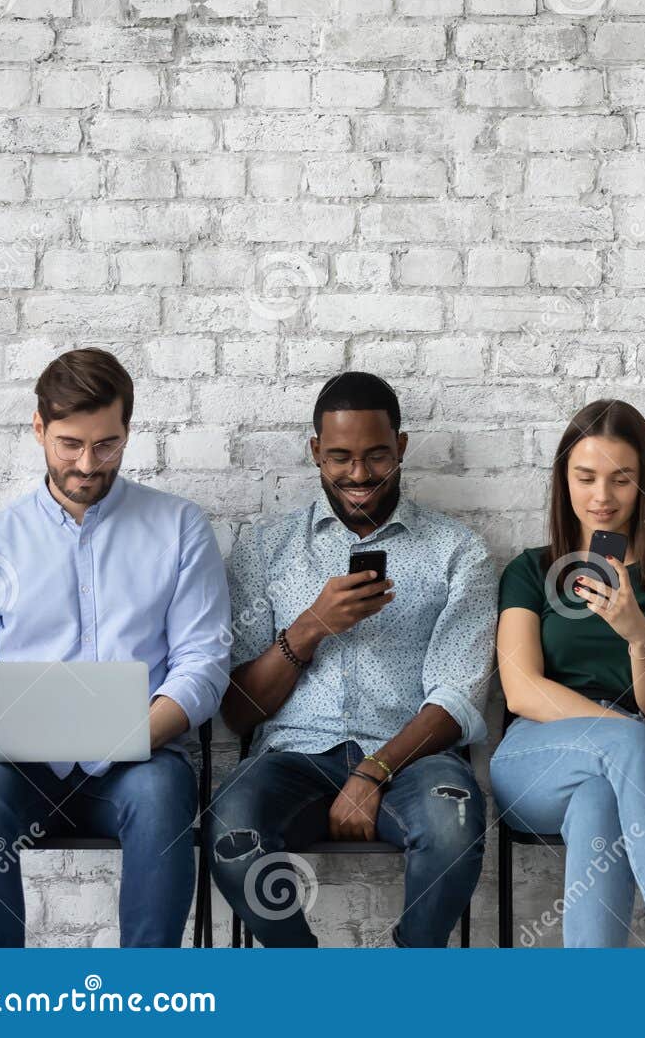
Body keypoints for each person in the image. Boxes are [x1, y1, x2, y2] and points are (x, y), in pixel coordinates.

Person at [0, 348, 230, 947]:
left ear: (127, 431)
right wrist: (6, 731)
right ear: (40, 428)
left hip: (140, 759)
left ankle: (142, 1005)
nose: (87, 463)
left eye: (107, 444)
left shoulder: (179, 527)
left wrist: (133, 734)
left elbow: (203, 663)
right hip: (22, 766)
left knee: (162, 793)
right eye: (69, 443)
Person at [208, 372, 495, 947]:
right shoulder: (268, 549)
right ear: (315, 450)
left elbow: (456, 697)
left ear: (402, 447)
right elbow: (237, 714)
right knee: (229, 831)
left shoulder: (457, 550)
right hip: (292, 758)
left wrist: (372, 772)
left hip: (412, 759)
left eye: (377, 455)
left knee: (454, 821)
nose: (359, 475)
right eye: (340, 457)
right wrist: (311, 627)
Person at [490, 400, 645, 948]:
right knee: (626, 743)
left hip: (632, 767)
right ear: (563, 481)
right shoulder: (530, 570)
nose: (602, 497)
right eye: (585, 477)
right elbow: (522, 691)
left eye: (621, 480)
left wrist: (638, 631)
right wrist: (630, 736)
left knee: (598, 801)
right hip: (534, 756)